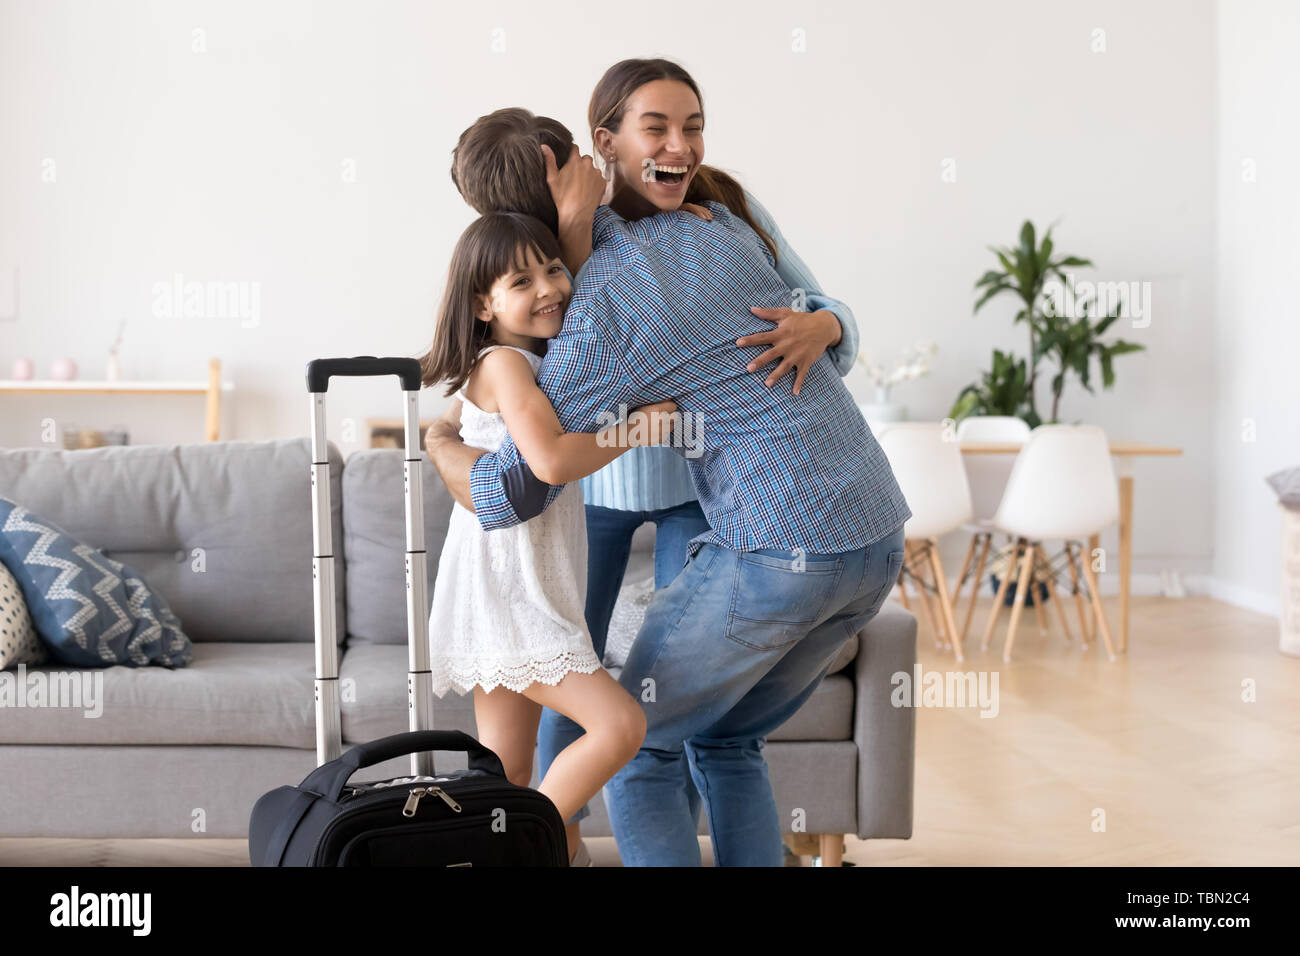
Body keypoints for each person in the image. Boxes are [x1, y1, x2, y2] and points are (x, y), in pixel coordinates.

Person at [443, 58, 866, 858]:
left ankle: (548, 833)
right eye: (657, 128)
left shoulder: (718, 213)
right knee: (578, 679)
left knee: (665, 710)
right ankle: (550, 838)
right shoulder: (548, 258)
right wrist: (569, 237)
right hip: (593, 493)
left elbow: (814, 302)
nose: (678, 147)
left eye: (690, 127)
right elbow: (551, 390)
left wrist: (828, 326)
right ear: (599, 146)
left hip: (693, 484)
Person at [416, 209, 678, 865]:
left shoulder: (515, 362)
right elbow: (552, 463)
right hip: (513, 588)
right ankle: (512, 841)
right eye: (521, 280)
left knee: (507, 769)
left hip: (499, 581)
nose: (549, 289)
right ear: (484, 303)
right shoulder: (507, 363)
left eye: (554, 269)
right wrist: (634, 430)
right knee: (621, 725)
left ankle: (508, 839)